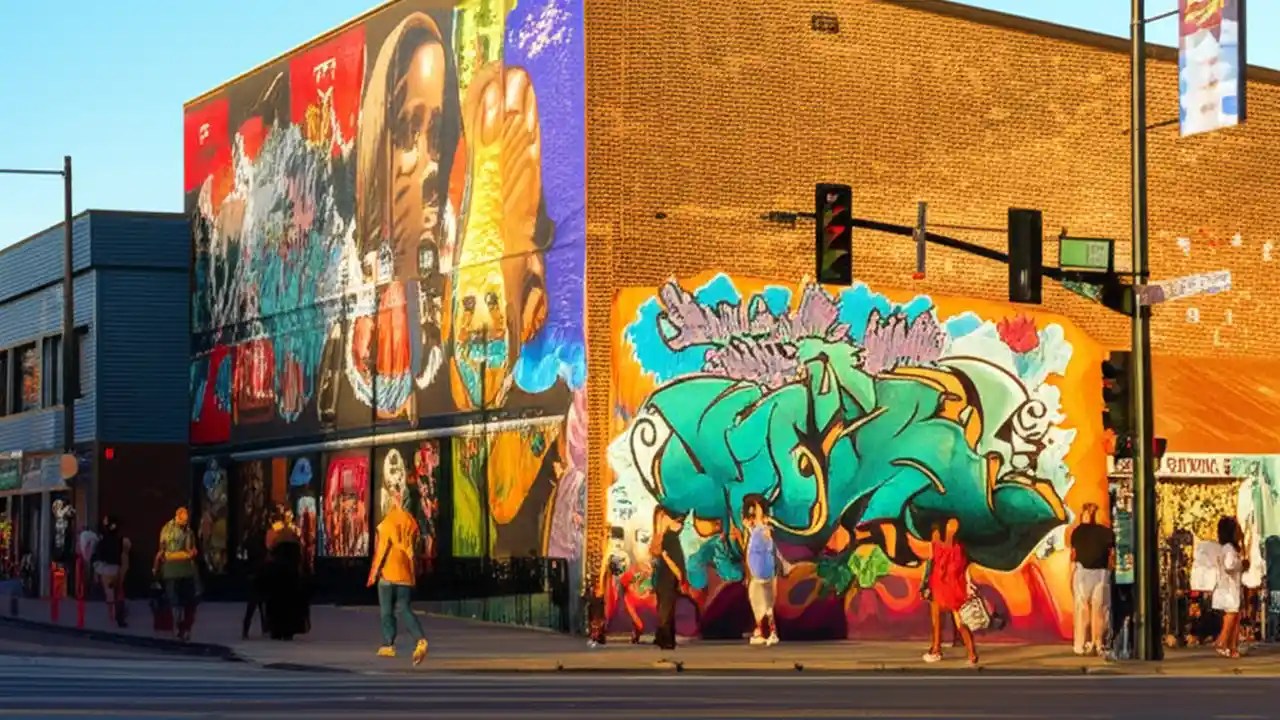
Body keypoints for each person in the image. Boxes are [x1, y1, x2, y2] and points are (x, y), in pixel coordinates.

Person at [367, 493, 428, 666]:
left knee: (387, 611)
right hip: (406, 575)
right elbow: (415, 548)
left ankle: (388, 644)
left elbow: (381, 551)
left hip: (388, 574)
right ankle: (420, 639)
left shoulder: (387, 523)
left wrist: (374, 574)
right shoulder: (412, 522)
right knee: (404, 609)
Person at [921, 518, 979, 665]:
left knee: (949, 621)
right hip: (950, 589)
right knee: (957, 621)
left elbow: (942, 566)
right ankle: (970, 654)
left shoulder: (949, 548)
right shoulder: (956, 549)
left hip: (947, 588)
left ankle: (937, 650)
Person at [1069, 502, 1115, 656]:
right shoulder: (1084, 532)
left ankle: (1089, 643)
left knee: (1089, 609)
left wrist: (1071, 573)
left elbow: (1073, 556)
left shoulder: (1079, 531)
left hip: (1092, 571)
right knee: (1097, 609)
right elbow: (1111, 554)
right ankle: (1093, 643)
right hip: (1094, 571)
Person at [264, 505, 307, 641]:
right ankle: (287, 629)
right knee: (290, 602)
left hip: (278, 576)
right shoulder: (291, 538)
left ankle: (277, 629)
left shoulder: (278, 537)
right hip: (290, 577)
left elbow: (270, 550)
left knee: (277, 602)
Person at [156, 507, 199, 642]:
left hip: (174, 572)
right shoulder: (182, 531)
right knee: (183, 601)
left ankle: (178, 629)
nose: (184, 524)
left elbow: (162, 551)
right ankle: (180, 629)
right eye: (183, 521)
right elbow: (190, 551)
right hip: (180, 571)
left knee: (176, 601)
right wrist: (188, 554)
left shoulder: (167, 529)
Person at [743, 495, 780, 647]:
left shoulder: (764, 531)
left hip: (764, 574)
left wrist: (758, 507)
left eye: (755, 515)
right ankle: (761, 630)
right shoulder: (752, 533)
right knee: (758, 603)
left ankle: (771, 632)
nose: (751, 520)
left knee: (766, 604)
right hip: (756, 574)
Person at [652, 509, 686, 652]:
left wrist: (679, 575)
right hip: (663, 579)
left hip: (668, 579)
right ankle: (665, 639)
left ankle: (666, 640)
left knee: (665, 610)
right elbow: (654, 550)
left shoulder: (671, 538)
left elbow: (676, 563)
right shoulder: (665, 537)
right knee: (664, 609)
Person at [1213, 516, 1245, 658]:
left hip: (1230, 587)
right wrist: (1241, 565)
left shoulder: (1228, 548)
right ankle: (1222, 641)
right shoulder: (1228, 549)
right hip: (1228, 588)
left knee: (1235, 615)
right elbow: (1229, 565)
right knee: (1231, 615)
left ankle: (1232, 646)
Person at [93, 516, 131, 628]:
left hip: (106, 568)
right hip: (116, 568)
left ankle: (112, 616)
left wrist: (96, 572)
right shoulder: (120, 541)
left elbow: (98, 556)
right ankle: (120, 618)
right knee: (119, 593)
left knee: (110, 594)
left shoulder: (102, 541)